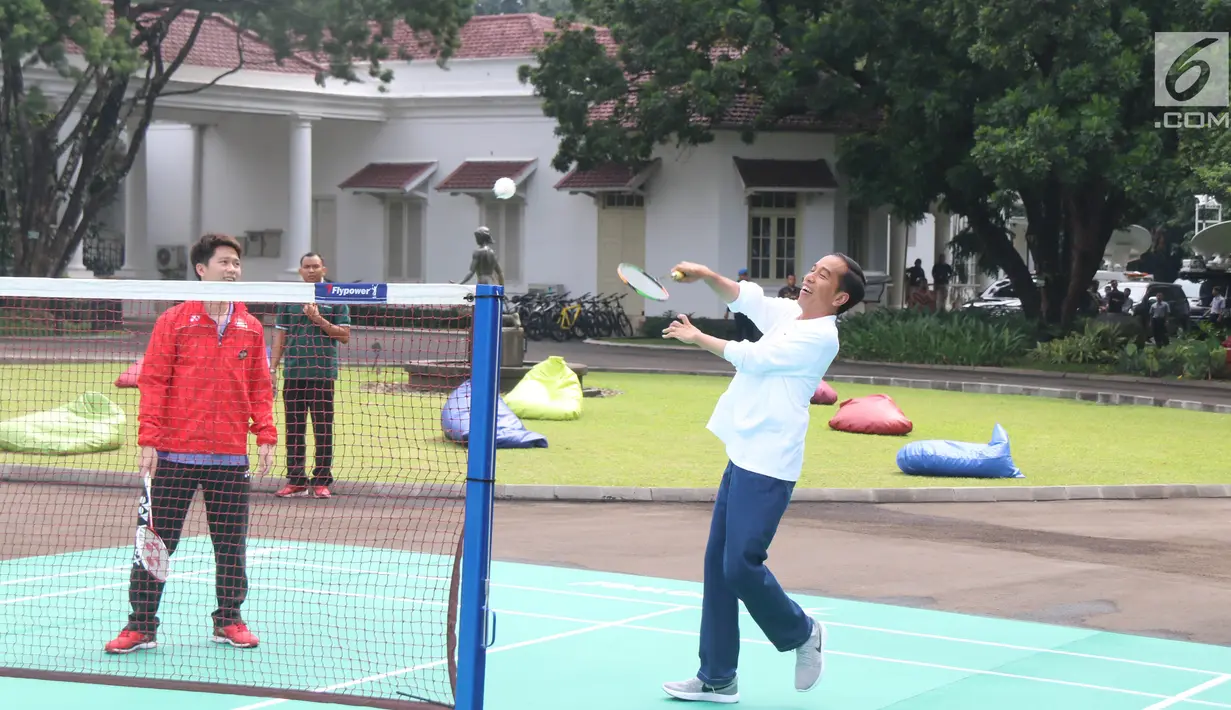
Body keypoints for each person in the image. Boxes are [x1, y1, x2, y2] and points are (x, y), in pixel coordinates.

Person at [658, 253, 865, 703]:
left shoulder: (820, 336)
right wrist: (708, 275)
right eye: (813, 269)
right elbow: (746, 298)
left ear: (841, 296)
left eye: (824, 275)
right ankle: (717, 677)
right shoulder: (791, 313)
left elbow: (754, 358)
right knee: (718, 566)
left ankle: (803, 631)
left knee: (740, 565)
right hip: (743, 451)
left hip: (770, 463)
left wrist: (696, 336)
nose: (811, 276)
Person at [105, 233, 276, 654]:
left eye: (237, 263)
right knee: (155, 543)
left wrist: (266, 434)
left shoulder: (250, 327)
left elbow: (260, 385)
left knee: (231, 545)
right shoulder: (174, 321)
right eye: (224, 262)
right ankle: (141, 625)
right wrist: (149, 439)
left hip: (230, 458)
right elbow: (155, 382)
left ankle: (229, 620)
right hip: (175, 455)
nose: (233, 269)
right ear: (202, 269)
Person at [271, 252, 351, 499]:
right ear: (300, 271)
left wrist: (318, 319)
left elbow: (344, 335)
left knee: (323, 429)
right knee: (294, 429)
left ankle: (321, 480)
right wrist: (272, 369)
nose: (312, 270)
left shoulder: (336, 297)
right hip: (294, 373)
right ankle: (296, 480)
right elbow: (280, 337)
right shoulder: (290, 299)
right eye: (307, 267)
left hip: (322, 374)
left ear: (323, 269)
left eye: (316, 266)